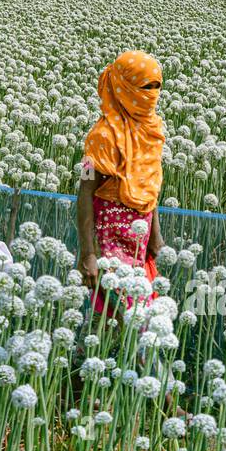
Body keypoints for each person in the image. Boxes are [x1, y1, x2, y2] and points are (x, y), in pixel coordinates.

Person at [77, 50, 166, 318]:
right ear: (124, 88)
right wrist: (88, 254)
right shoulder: (101, 136)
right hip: (110, 244)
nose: (151, 95)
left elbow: (150, 187)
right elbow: (84, 194)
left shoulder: (151, 129)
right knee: (117, 316)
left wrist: (155, 235)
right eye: (144, 87)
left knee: (139, 318)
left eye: (156, 87)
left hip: (141, 240)